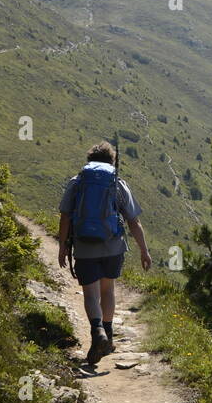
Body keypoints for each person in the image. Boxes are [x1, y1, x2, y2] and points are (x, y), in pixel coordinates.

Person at [57, 141, 151, 366]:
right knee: (108, 290)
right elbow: (133, 221)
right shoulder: (117, 182)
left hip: (84, 245)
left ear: (89, 160)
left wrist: (62, 247)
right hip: (113, 247)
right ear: (112, 161)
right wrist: (144, 251)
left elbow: (65, 217)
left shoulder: (78, 182)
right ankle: (107, 335)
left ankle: (97, 331)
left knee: (91, 294)